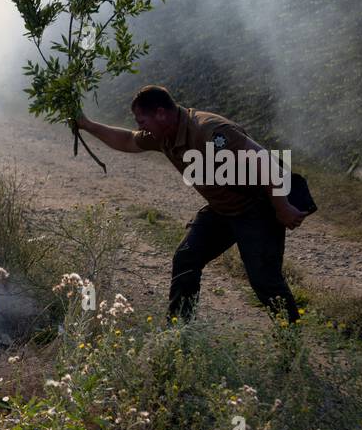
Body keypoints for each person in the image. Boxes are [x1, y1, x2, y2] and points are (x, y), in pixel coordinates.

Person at [77, 85, 304, 324]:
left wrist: (283, 208)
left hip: (256, 210)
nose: (139, 126)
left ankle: (292, 343)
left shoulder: (209, 130)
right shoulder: (163, 135)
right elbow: (128, 140)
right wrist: (87, 124)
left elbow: (265, 163)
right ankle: (179, 331)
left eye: (142, 120)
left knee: (264, 279)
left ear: (161, 113)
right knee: (186, 260)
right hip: (222, 211)